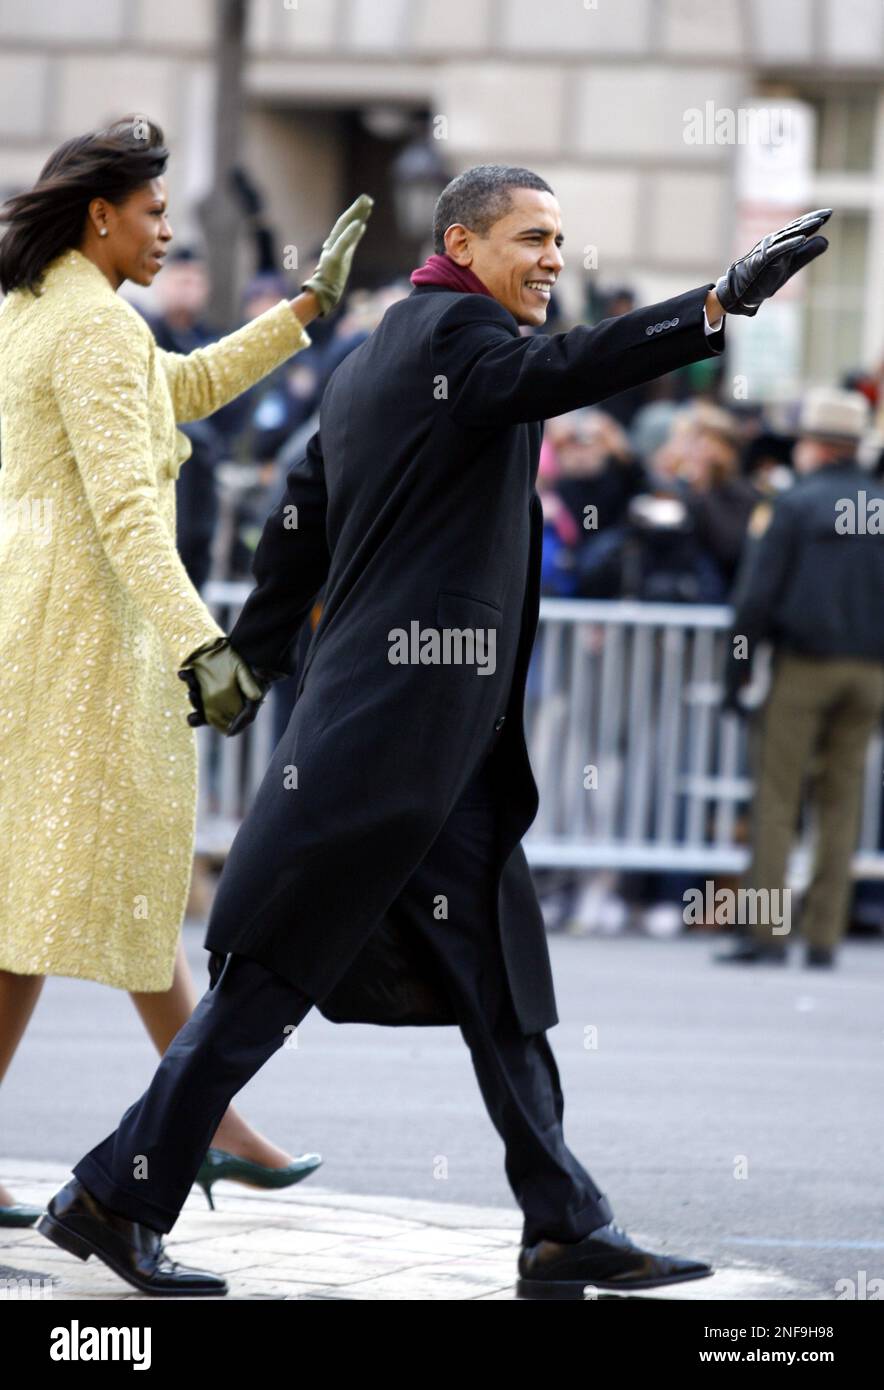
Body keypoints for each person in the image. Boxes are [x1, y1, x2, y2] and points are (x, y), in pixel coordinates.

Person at [40, 167, 830, 1299]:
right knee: (265, 980)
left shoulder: (369, 364)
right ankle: (115, 1196)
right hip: (388, 737)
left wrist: (251, 662)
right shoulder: (459, 336)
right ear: (460, 241)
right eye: (529, 237)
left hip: (421, 743)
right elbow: (560, 372)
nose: (552, 258)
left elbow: (294, 529)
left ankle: (563, 1223)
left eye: (561, 238)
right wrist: (713, 304)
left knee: (498, 980)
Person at [0, 113, 372, 1225]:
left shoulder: (44, 310)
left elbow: (182, 387)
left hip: (42, 620)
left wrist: (301, 313)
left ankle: (208, 1121)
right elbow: (123, 509)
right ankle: (208, 1120)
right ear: (99, 215)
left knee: (65, 888)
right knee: (96, 879)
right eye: (154, 212)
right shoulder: (93, 329)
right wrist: (200, 644)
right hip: (85, 633)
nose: (169, 230)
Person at [717, 387, 884, 968]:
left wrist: (735, 673)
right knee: (842, 802)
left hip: (804, 666)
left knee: (778, 797)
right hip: (871, 671)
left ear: (814, 446)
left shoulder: (794, 504)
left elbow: (756, 598)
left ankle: (766, 932)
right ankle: (823, 936)